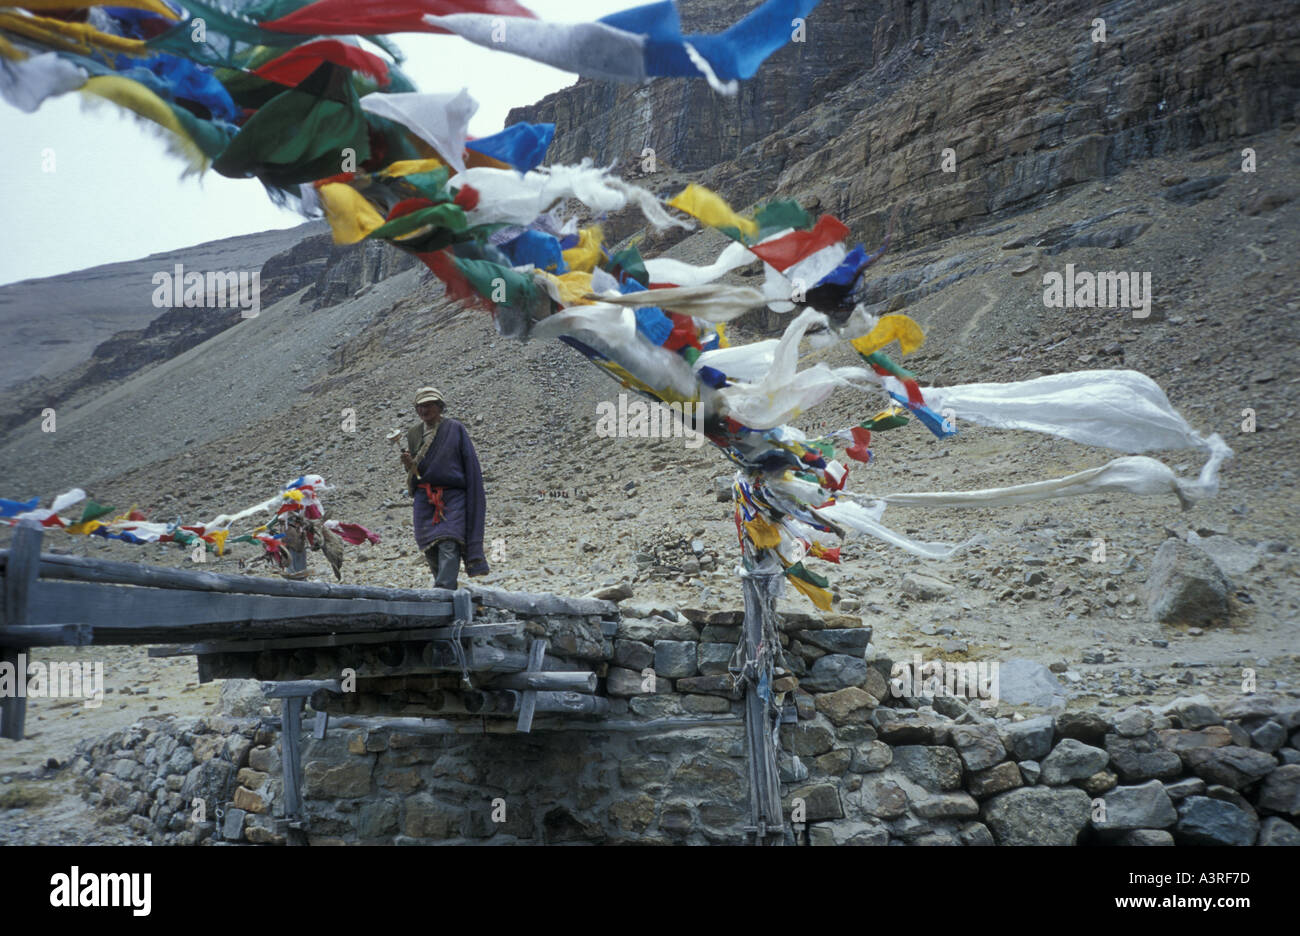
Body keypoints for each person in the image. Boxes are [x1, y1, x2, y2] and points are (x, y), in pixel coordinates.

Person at [400, 387, 489, 589]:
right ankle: (444, 585)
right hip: (425, 497)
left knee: (449, 540)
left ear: (439, 407)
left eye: (429, 405)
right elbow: (418, 470)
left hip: (452, 494)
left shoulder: (454, 428)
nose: (424, 410)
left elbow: (469, 462)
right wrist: (408, 464)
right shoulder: (414, 433)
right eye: (420, 406)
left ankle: (444, 590)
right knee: (429, 545)